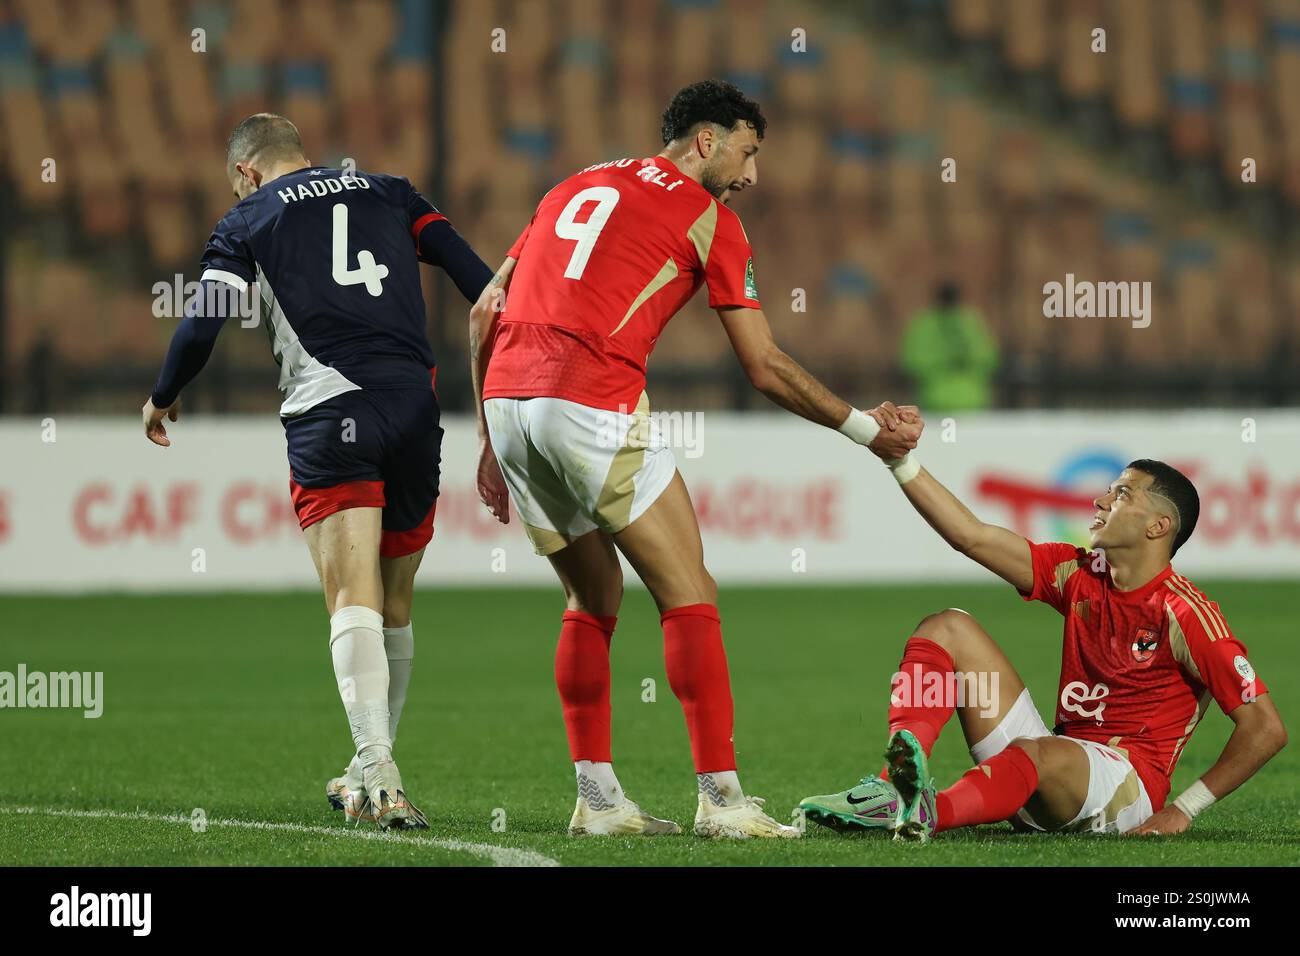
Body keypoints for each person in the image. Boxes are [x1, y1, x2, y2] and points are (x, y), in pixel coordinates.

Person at [467, 79, 922, 839]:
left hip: (509, 400)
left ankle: (600, 801)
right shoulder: (709, 218)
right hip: (589, 399)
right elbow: (765, 366)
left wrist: (488, 437)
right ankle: (721, 799)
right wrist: (865, 428)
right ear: (706, 141)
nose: (752, 176)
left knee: (592, 599)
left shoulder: (573, 183)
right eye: (746, 152)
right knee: (689, 591)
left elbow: (486, 307)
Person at [142, 114, 493, 828]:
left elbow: (205, 318)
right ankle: (367, 766)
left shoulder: (247, 219)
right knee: (395, 604)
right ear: (301, 155)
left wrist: (164, 391)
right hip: (415, 404)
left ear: (245, 173)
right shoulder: (390, 190)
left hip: (332, 408)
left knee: (351, 597)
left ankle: (382, 772)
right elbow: (478, 280)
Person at [798, 455, 1287, 841]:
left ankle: (927, 812)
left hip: (1124, 787)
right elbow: (971, 536)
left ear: (1157, 526)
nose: (1099, 500)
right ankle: (892, 785)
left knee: (1039, 753)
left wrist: (1184, 808)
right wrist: (900, 461)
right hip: (1053, 766)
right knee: (947, 627)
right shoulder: (1080, 573)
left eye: (1120, 494)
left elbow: (1265, 727)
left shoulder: (1184, 612)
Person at [899, 281, 999, 412]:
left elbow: (912, 362)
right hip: (968, 399)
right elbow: (988, 358)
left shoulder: (924, 324)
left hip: (936, 399)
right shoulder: (970, 322)